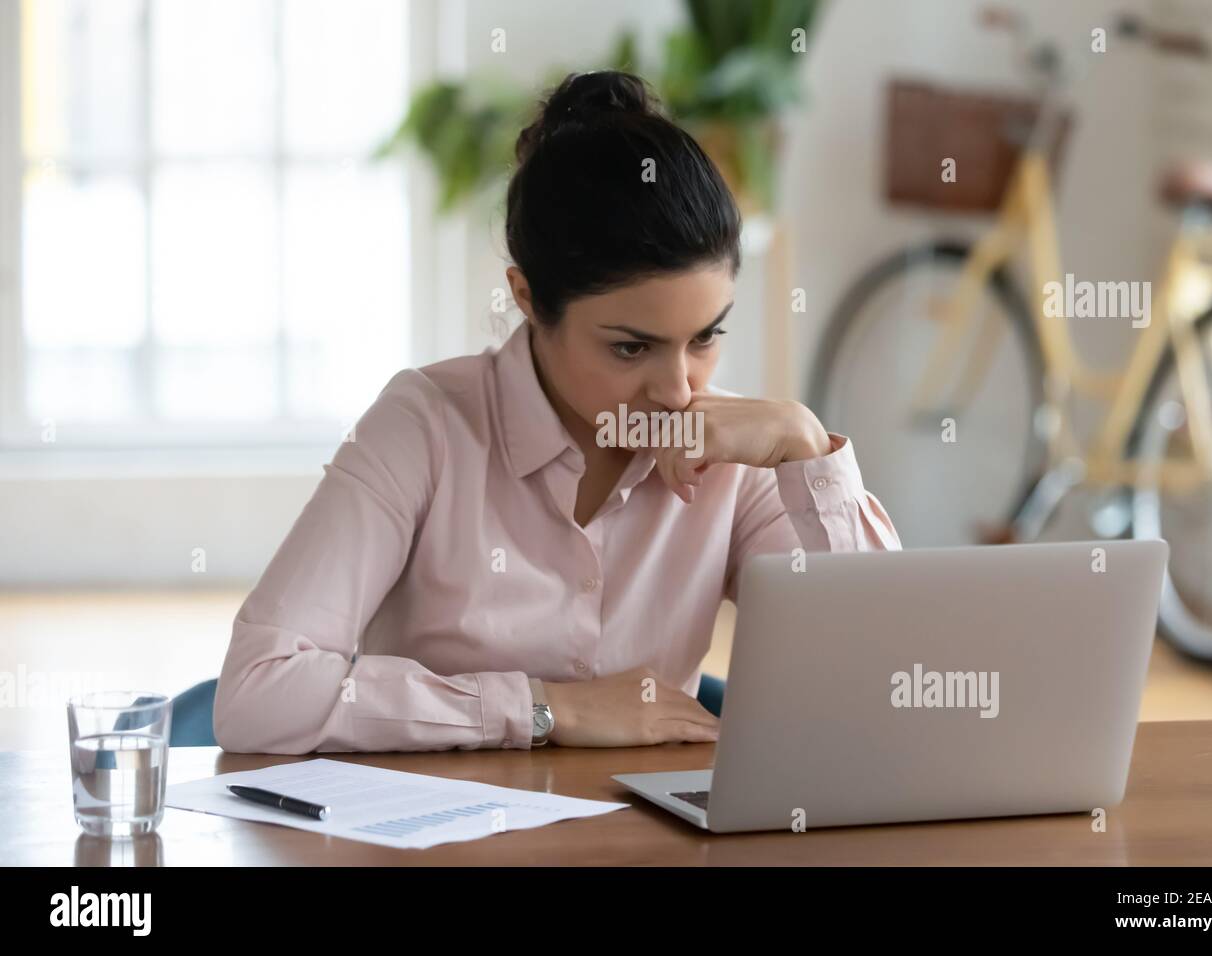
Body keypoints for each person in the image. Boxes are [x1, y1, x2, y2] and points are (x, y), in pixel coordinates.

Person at [213, 70, 900, 755]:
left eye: (705, 338)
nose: (678, 391)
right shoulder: (422, 426)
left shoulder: (743, 461)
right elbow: (258, 693)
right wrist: (542, 709)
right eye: (632, 347)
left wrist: (808, 447)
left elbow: (887, 682)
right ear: (527, 297)